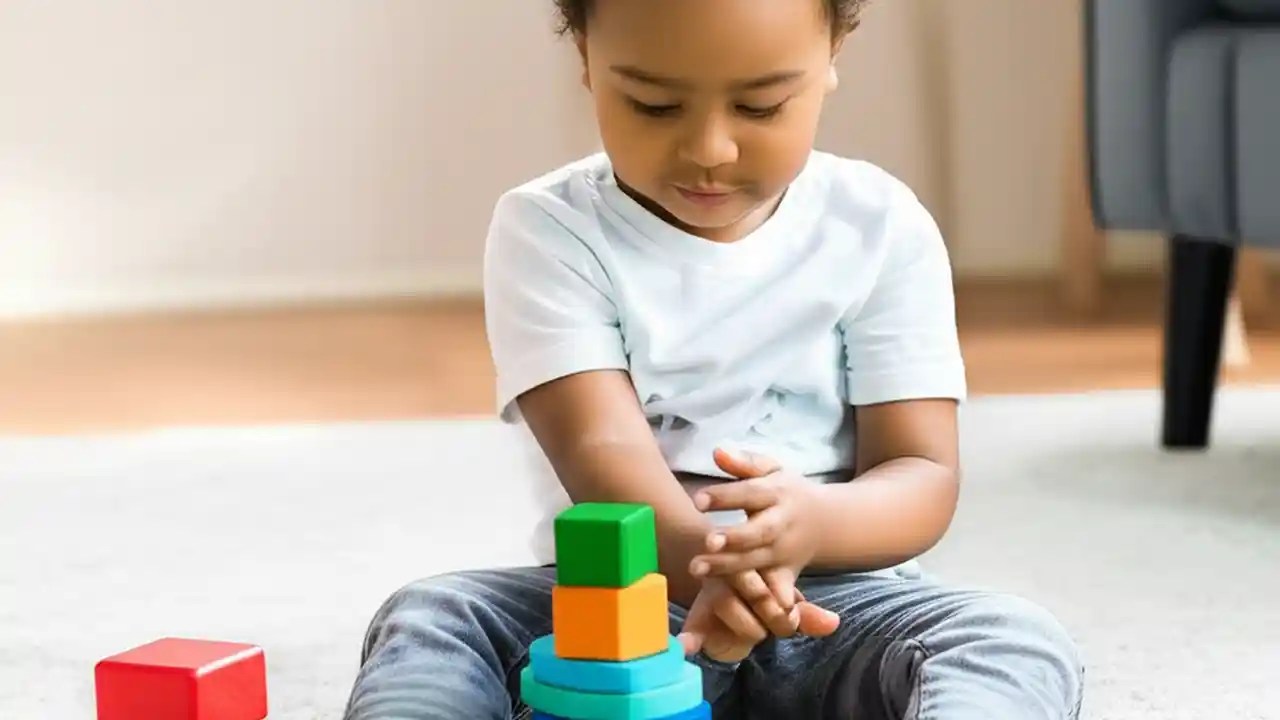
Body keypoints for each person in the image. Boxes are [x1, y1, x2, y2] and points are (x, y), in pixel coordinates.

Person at [341, 0, 1085, 717]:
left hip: (837, 604)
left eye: (760, 108)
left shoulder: (881, 225)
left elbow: (923, 475)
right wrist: (721, 564)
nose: (710, 150)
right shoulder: (548, 229)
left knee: (1011, 638)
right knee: (438, 618)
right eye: (655, 106)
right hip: (624, 608)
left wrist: (811, 527)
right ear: (587, 59)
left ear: (832, 57)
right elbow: (601, 455)